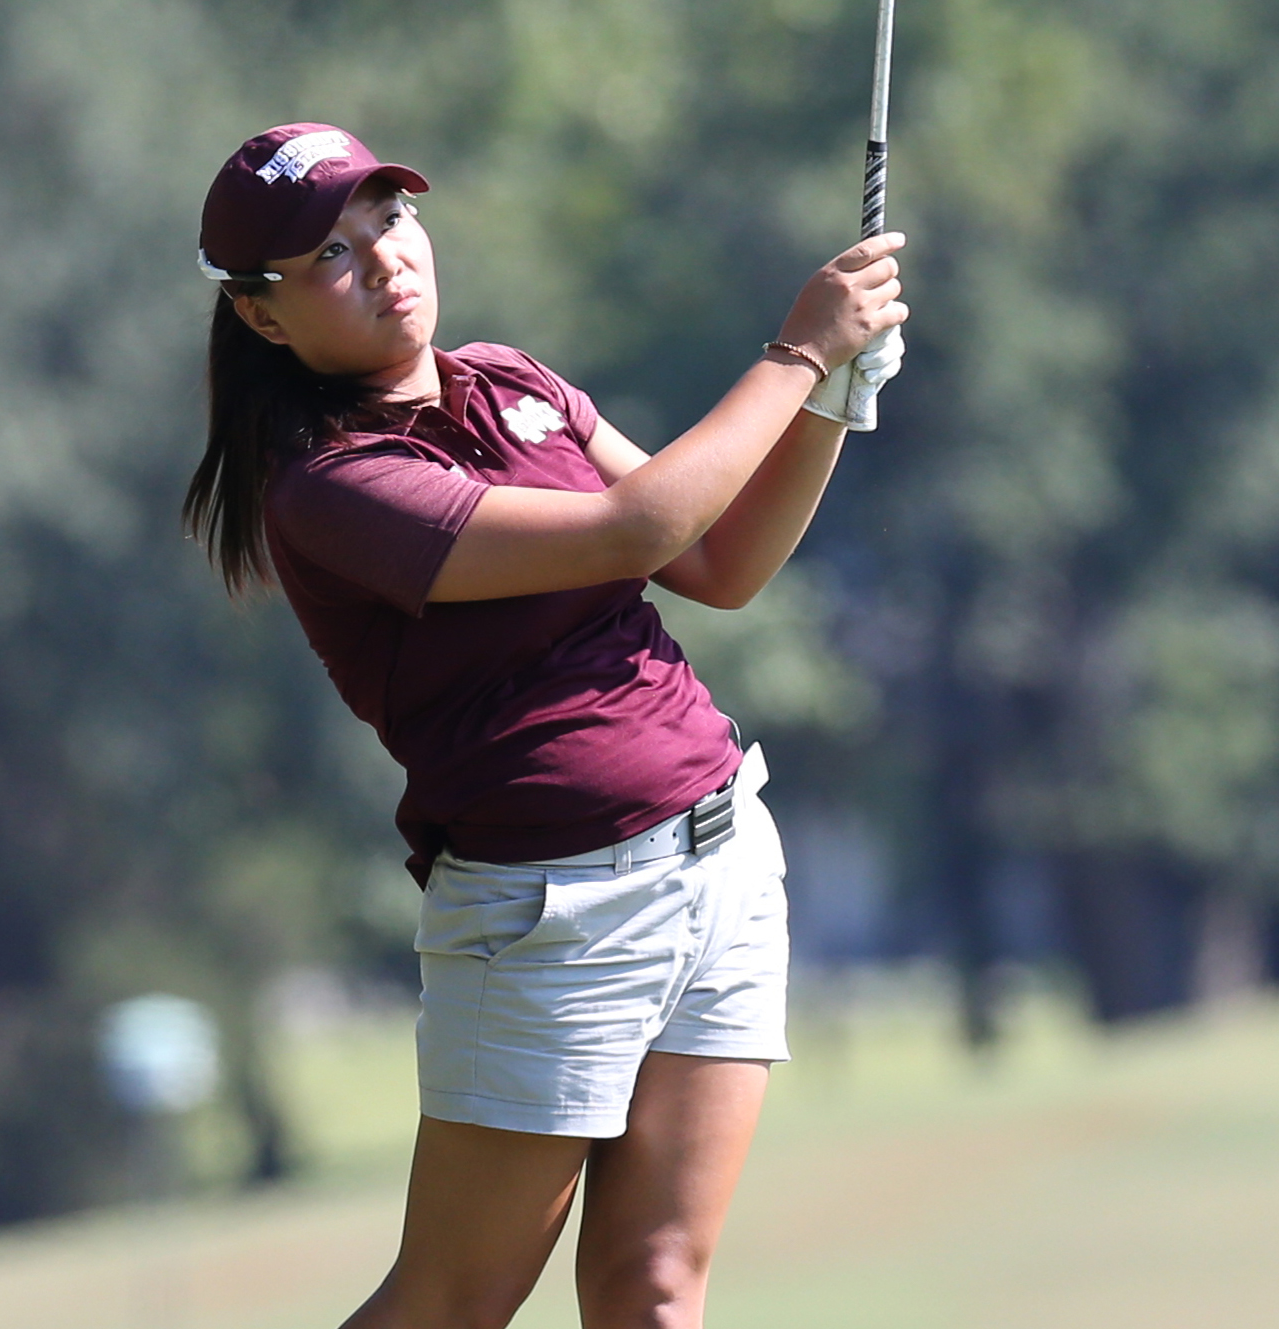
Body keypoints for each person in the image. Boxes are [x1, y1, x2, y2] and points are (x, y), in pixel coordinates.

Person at [183, 123, 906, 1329]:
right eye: (331, 258)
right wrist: (797, 354)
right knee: (452, 1304)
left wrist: (833, 399)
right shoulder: (332, 487)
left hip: (723, 858)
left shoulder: (514, 380)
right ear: (262, 317)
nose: (386, 261)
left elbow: (718, 563)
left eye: (390, 223)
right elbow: (636, 529)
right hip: (550, 917)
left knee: (657, 1288)